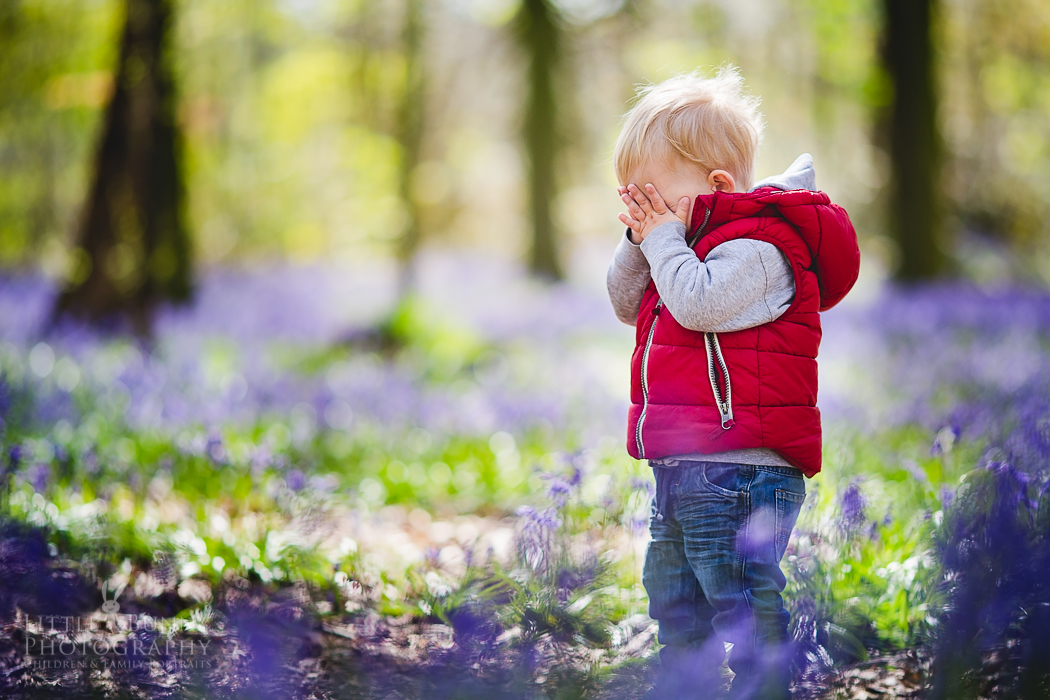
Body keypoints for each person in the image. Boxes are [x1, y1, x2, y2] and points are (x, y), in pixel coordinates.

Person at [606, 67, 861, 699]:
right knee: (673, 600)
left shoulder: (761, 250)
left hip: (742, 471)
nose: (647, 214)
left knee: (741, 601)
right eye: (634, 200)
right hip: (681, 466)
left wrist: (663, 239)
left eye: (657, 198)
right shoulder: (676, 246)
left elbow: (696, 303)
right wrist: (644, 237)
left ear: (718, 185)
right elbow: (621, 300)